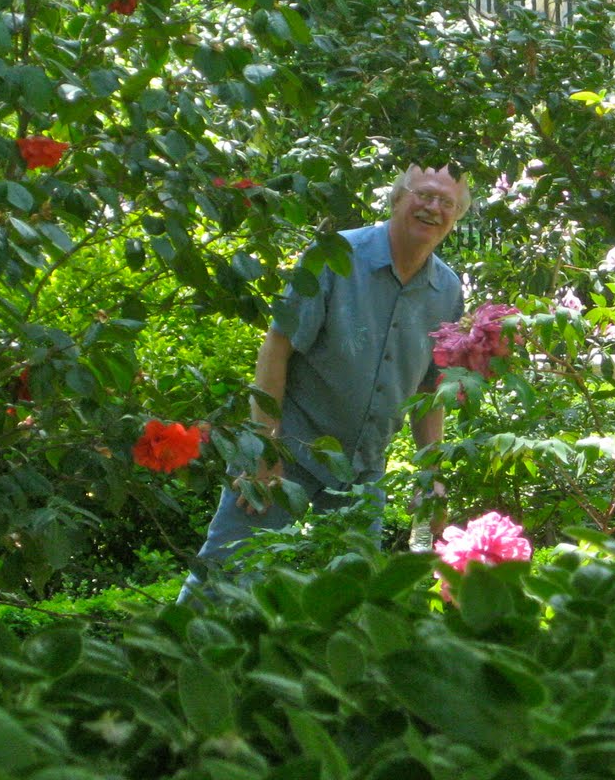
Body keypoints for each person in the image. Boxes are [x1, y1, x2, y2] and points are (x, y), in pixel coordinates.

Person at [180, 163, 469, 602]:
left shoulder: (446, 291)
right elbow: (277, 348)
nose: (432, 208)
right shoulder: (335, 255)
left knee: (355, 594)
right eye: (423, 195)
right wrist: (265, 447)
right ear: (396, 199)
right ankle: (169, 663)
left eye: (445, 202)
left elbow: (431, 388)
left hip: (363, 464)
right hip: (287, 446)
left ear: (456, 217)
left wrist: (431, 475)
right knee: (223, 576)